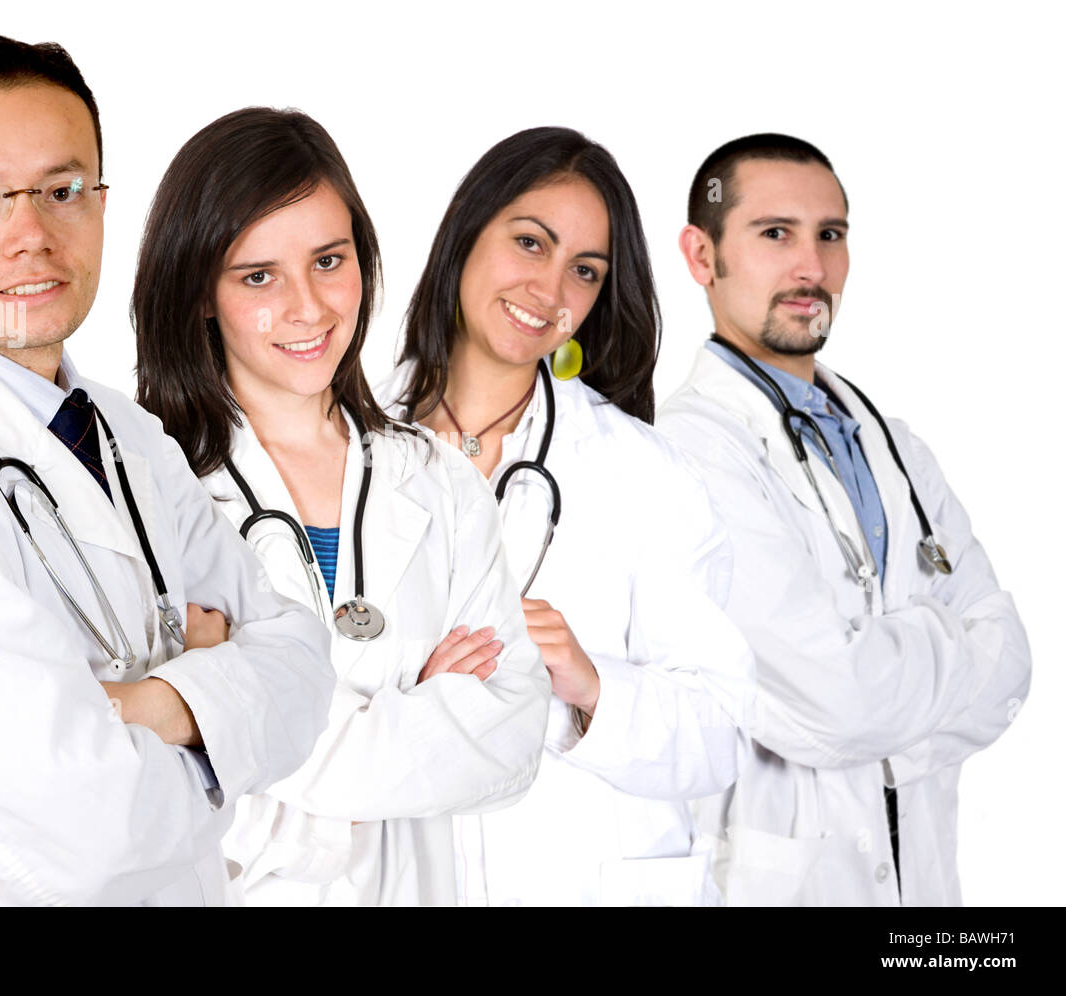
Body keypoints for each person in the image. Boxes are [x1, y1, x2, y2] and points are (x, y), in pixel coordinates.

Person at [0, 32, 333, 906]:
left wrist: (142, 705)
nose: (31, 236)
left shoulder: (128, 435)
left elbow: (303, 665)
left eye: (61, 190)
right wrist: (213, 700)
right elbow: (91, 835)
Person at [132, 108, 550, 906]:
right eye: (258, 276)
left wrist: (256, 725)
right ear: (199, 296)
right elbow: (160, 777)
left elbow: (512, 738)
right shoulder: (155, 497)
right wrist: (424, 709)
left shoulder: (438, 479)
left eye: (330, 259)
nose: (310, 306)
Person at [375, 127, 755, 906]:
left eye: (583, 271)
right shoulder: (349, 454)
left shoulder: (640, 469)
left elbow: (725, 730)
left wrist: (590, 686)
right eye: (528, 243)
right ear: (463, 238)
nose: (550, 292)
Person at [656, 133, 1032, 906]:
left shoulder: (897, 448)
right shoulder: (689, 451)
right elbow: (837, 698)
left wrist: (873, 705)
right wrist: (942, 654)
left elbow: (1013, 668)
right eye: (774, 234)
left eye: (831, 235)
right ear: (702, 256)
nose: (812, 268)